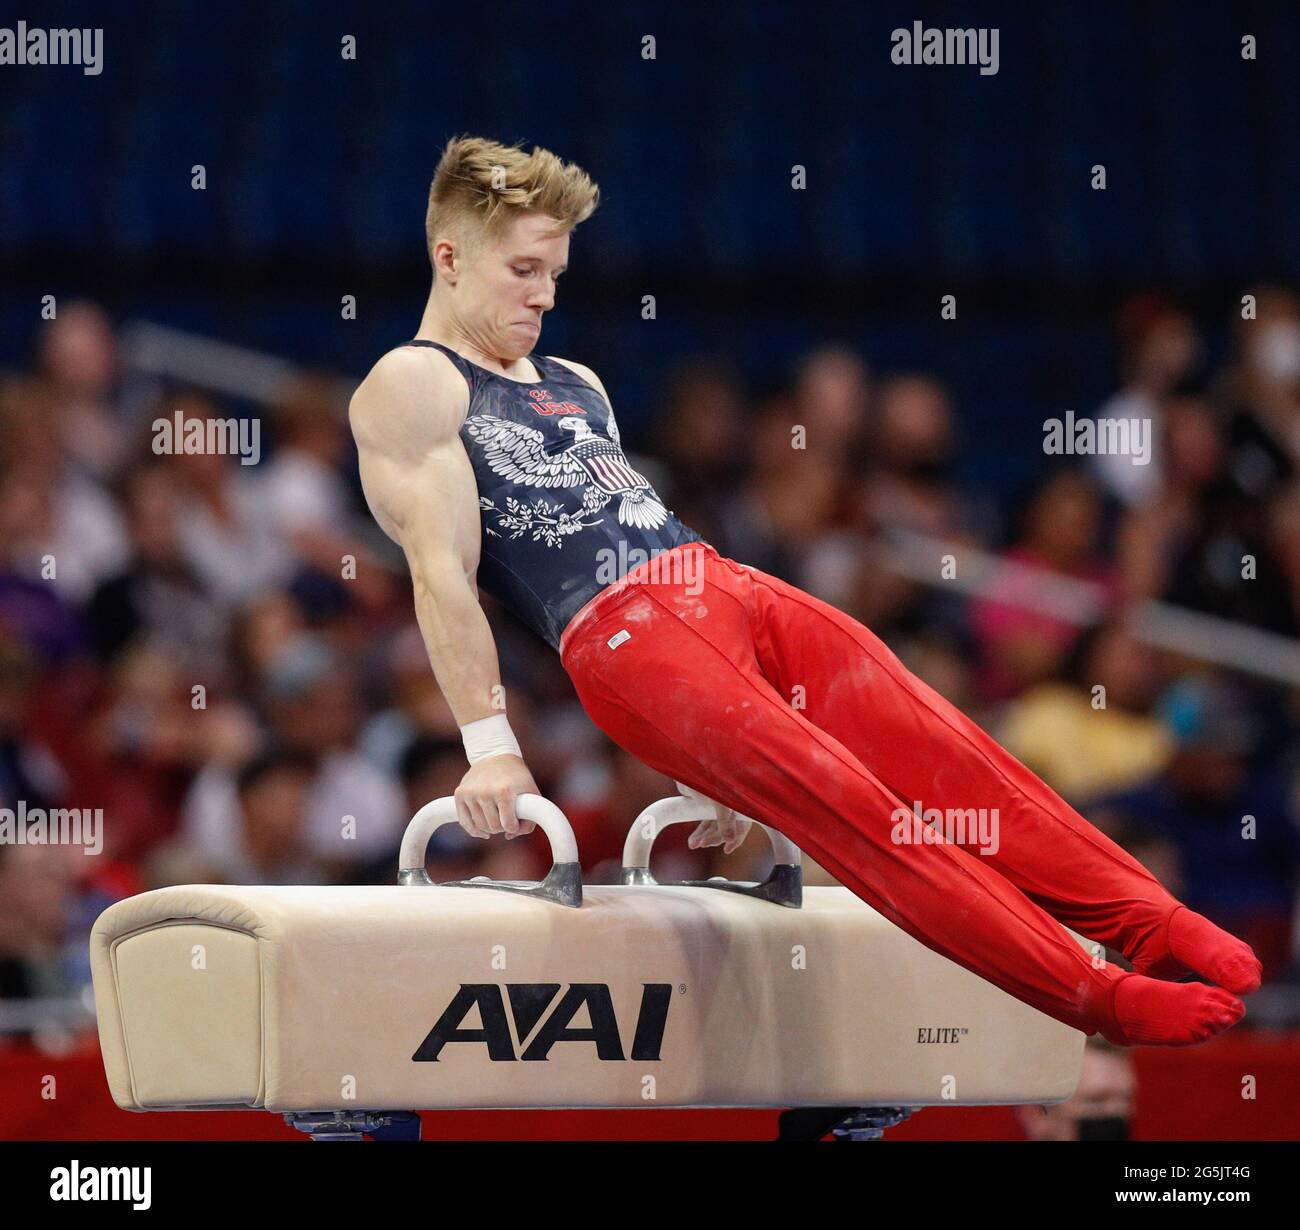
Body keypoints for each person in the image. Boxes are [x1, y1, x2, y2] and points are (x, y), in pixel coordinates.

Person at [349, 135, 1261, 1048]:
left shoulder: (574, 382)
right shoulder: (412, 383)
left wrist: (699, 768)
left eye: (556, 271)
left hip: (727, 585)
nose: (546, 294)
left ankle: (1152, 920)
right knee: (862, 815)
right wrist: (490, 745)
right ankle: (1088, 994)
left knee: (954, 757)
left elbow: (629, 513)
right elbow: (442, 576)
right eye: (524, 270)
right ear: (450, 256)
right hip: (624, 639)